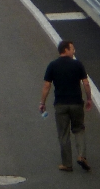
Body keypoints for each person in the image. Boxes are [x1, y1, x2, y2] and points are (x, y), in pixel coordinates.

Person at [40, 40, 93, 172]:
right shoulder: (77, 64)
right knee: (79, 129)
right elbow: (86, 83)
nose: (74, 51)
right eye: (72, 49)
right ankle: (81, 155)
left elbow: (47, 86)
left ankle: (67, 164)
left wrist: (42, 102)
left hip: (60, 104)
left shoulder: (52, 65)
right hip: (76, 103)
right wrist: (89, 98)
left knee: (63, 134)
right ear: (65, 50)